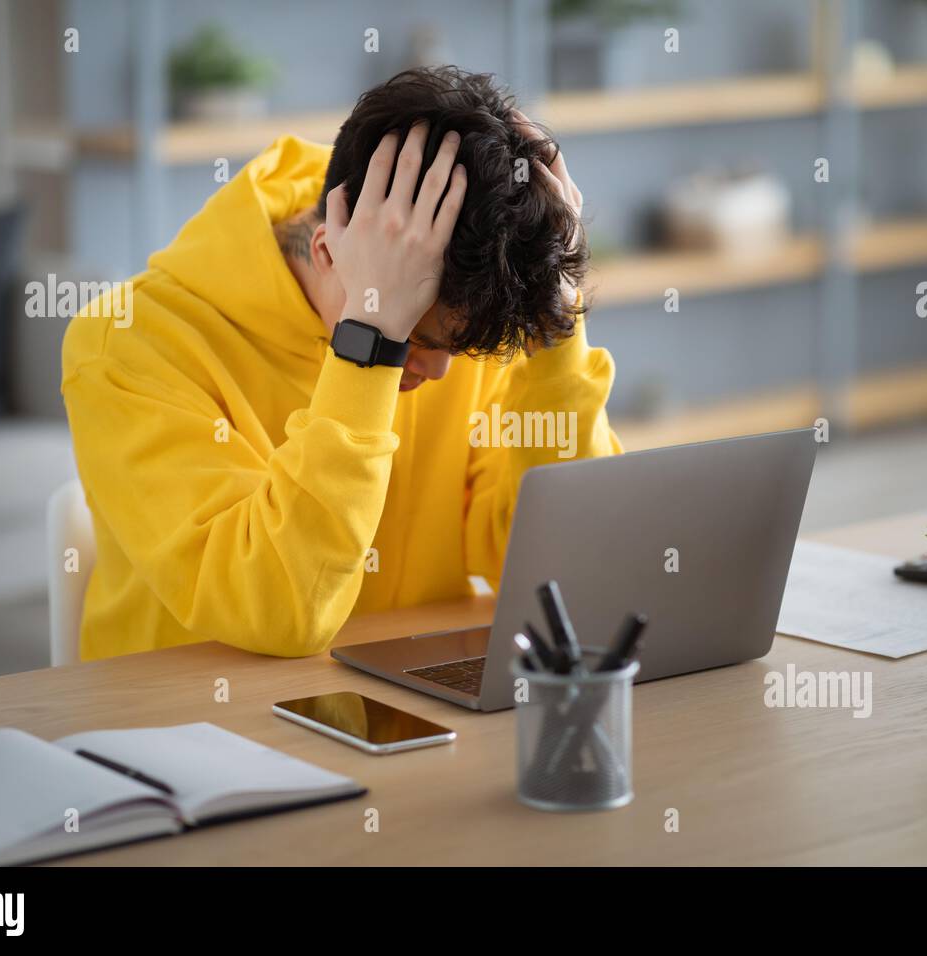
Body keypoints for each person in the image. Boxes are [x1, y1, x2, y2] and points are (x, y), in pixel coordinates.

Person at [61, 67, 622, 660]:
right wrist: (373, 341)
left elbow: (564, 578)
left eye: (457, 351)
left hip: (411, 714)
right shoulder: (126, 346)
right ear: (330, 252)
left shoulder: (466, 306)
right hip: (193, 728)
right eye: (419, 341)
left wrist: (556, 333)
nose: (440, 374)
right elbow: (284, 612)